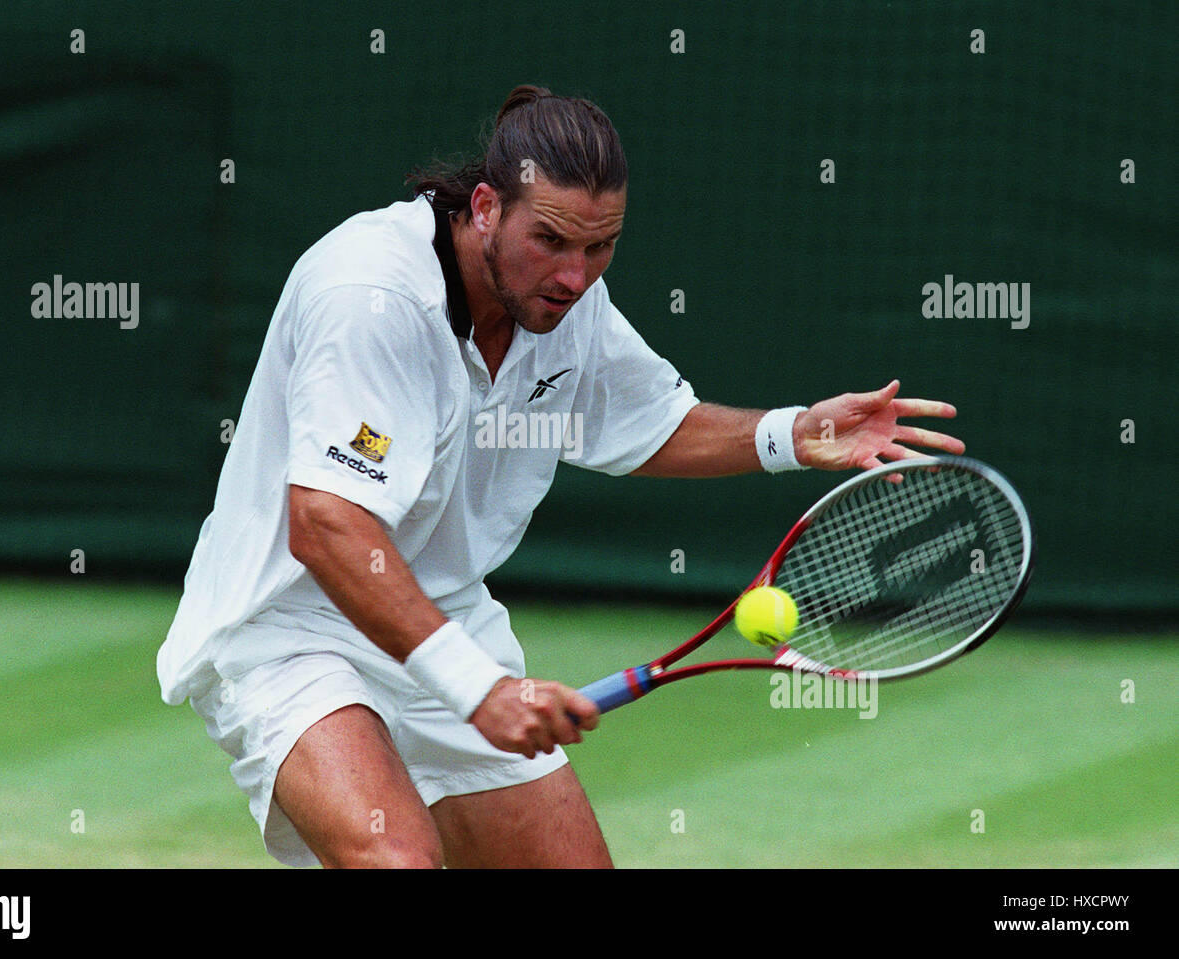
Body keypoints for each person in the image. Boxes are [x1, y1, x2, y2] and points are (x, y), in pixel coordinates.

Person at [156, 84, 965, 868]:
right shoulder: (370, 294)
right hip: (291, 628)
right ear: (483, 208)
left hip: (442, 618)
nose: (576, 277)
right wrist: (479, 689)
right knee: (392, 857)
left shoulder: (567, 306)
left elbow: (652, 423)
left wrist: (798, 431)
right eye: (551, 239)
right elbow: (328, 524)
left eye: (599, 246)